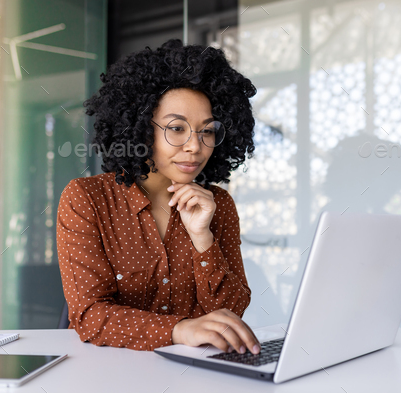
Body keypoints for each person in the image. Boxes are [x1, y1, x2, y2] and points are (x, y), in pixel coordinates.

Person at [56, 38, 261, 355]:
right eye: (177, 129)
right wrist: (179, 330)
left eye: (207, 130)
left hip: (194, 373)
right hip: (104, 372)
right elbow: (89, 315)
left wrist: (202, 238)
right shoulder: (87, 198)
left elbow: (230, 313)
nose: (195, 146)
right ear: (139, 128)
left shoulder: (217, 204)